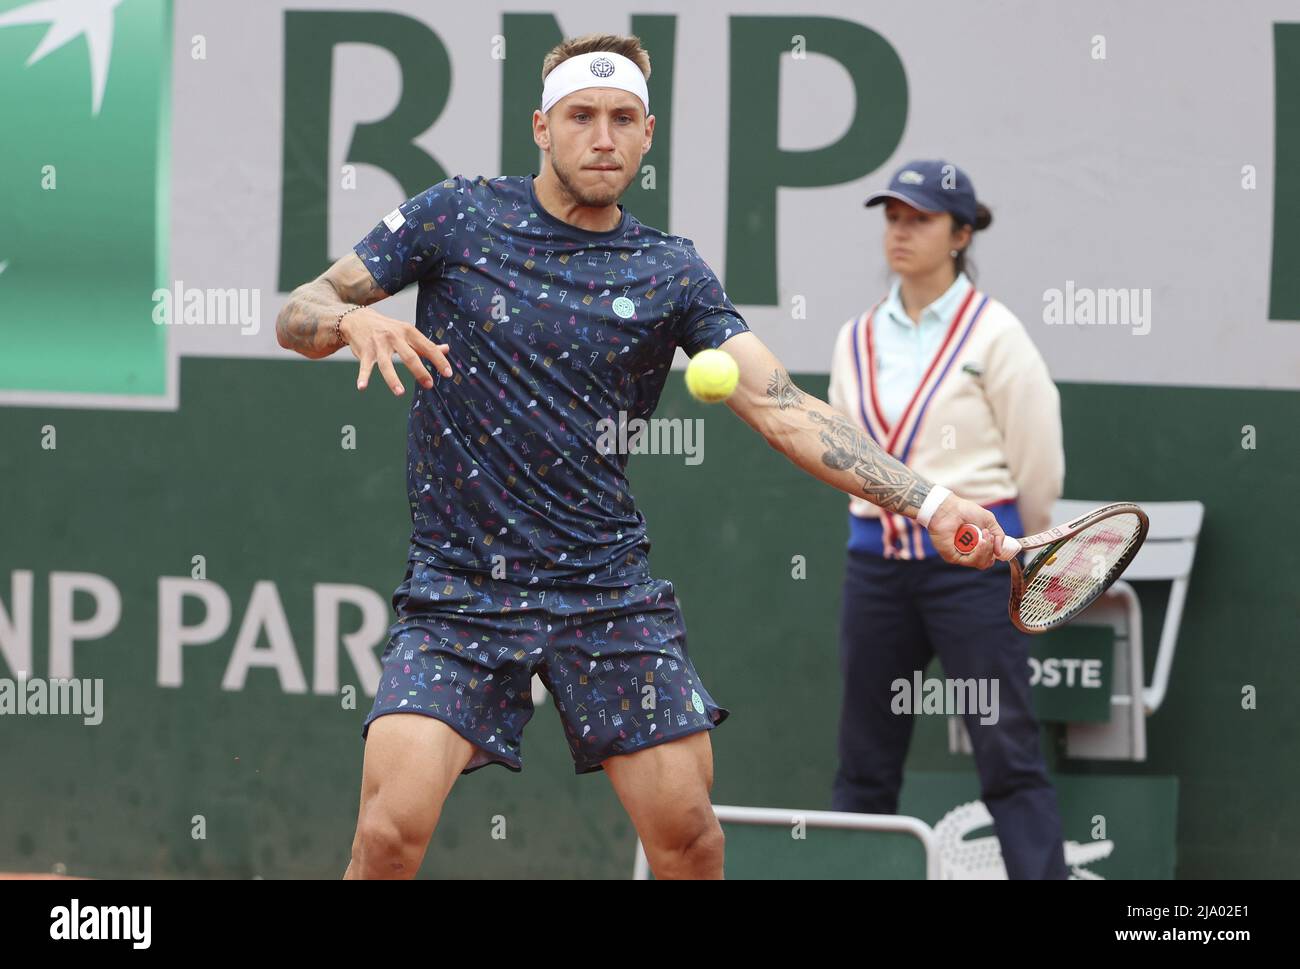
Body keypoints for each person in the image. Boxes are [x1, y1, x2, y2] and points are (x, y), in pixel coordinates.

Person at [277, 37, 1010, 881]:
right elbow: (303, 306)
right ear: (541, 128)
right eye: (581, 117)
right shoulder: (457, 215)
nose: (602, 136)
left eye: (622, 118)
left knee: (691, 839)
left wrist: (931, 501)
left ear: (647, 133)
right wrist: (348, 321)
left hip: (606, 591)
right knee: (388, 834)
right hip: (461, 591)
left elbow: (785, 411)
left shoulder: (672, 271)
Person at [826, 159, 1069, 878]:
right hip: (874, 570)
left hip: (975, 572)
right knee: (864, 760)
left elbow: (1038, 457)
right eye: (892, 216)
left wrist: (1027, 552)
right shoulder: (854, 338)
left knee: (1008, 755)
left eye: (920, 218)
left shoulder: (997, 334)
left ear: (960, 234)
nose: (900, 232)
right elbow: (839, 449)